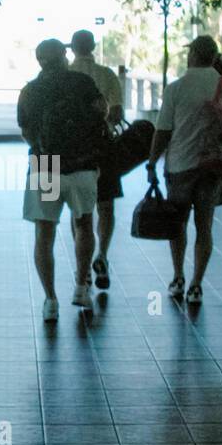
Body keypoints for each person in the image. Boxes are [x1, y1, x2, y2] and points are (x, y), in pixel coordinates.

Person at [147, 35, 222, 305]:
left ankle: (178, 276)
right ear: (214, 57)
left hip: (180, 165)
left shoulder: (176, 88)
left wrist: (152, 162)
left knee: (177, 224)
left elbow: (163, 130)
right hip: (212, 166)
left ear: (192, 55)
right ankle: (197, 284)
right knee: (205, 226)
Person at [17, 38, 108, 322]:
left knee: (44, 234)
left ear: (39, 60)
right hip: (82, 164)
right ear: (65, 56)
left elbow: (25, 129)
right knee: (84, 225)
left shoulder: (30, 90)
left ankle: (50, 300)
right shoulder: (82, 82)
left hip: (46, 165)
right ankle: (81, 286)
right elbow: (101, 113)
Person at [67, 29, 124, 290]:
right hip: (103, 149)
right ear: (92, 47)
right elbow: (117, 113)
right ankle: (102, 255)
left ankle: (83, 269)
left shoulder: (65, 76)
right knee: (106, 206)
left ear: (72, 49)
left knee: (79, 211)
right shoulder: (107, 75)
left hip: (72, 151)